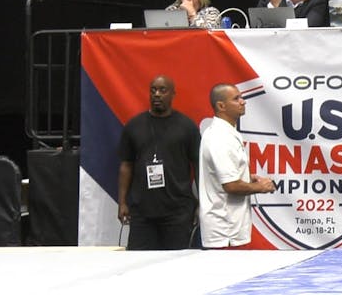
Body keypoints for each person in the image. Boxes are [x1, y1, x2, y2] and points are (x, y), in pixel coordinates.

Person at [116, 75, 201, 249]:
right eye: (153, 90)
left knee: (177, 264)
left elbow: (198, 166)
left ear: (172, 94)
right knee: (138, 264)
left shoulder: (187, 127)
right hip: (142, 212)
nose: (157, 94)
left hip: (178, 211)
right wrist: (122, 202)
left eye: (163, 90)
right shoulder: (134, 126)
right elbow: (126, 165)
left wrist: (202, 203)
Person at [198, 83, 276, 248]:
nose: (243, 101)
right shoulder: (220, 137)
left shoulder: (228, 133)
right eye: (236, 98)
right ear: (221, 106)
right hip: (224, 229)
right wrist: (260, 187)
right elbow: (231, 186)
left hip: (231, 226)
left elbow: (227, 175)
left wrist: (248, 177)